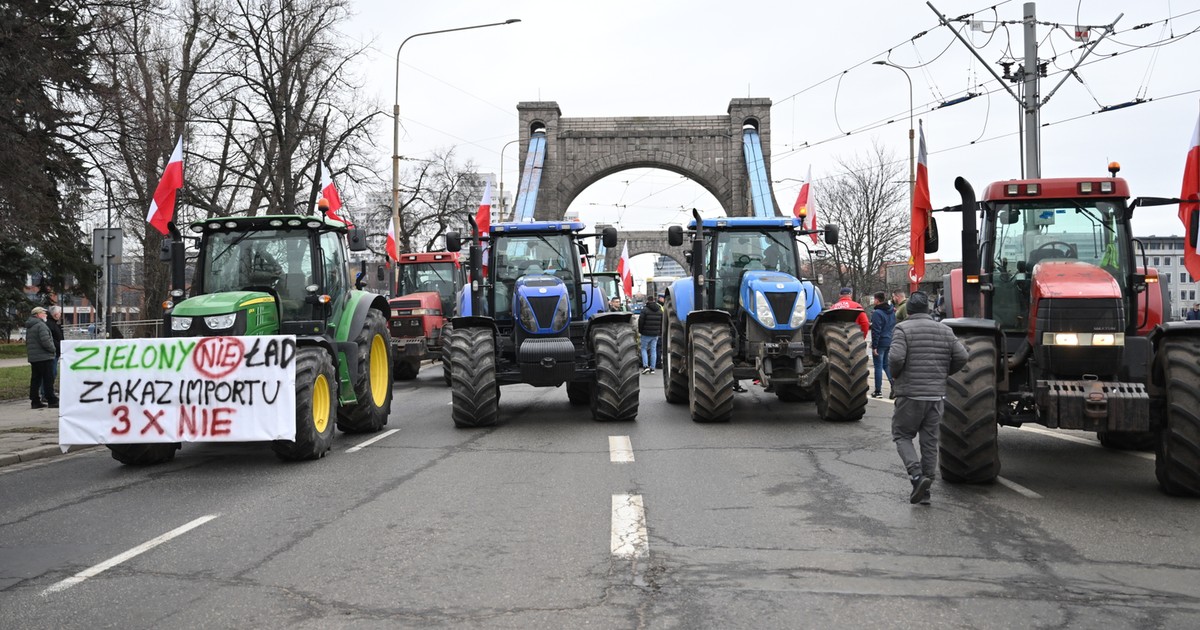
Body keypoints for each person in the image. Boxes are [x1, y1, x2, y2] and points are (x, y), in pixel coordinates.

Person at [888, 291, 968, 505]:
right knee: (929, 440)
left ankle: (916, 476)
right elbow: (962, 356)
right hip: (935, 395)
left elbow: (895, 358)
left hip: (910, 394)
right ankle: (926, 489)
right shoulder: (945, 330)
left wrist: (896, 376)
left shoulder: (902, 329)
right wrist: (943, 374)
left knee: (902, 435)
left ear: (909, 310)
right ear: (927, 309)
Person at [25, 306, 59, 409]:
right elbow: (46, 341)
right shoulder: (41, 325)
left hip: (34, 357)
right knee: (48, 379)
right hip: (44, 357)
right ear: (38, 314)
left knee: (36, 379)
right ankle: (51, 400)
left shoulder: (30, 326)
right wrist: (53, 349)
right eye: (44, 313)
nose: (46, 315)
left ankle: (35, 401)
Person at [870, 292, 896, 399]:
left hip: (880, 342)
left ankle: (878, 391)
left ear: (877, 300)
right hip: (890, 340)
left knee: (878, 366)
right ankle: (894, 385)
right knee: (886, 365)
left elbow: (876, 330)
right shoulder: (891, 311)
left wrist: (874, 346)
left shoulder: (877, 313)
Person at [637, 292, 663, 374]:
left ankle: (645, 366)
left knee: (644, 349)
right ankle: (652, 368)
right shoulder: (659, 310)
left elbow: (640, 321)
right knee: (653, 350)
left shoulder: (644, 310)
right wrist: (659, 332)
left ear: (647, 300)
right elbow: (661, 322)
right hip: (655, 334)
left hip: (645, 333)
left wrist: (640, 331)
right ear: (654, 300)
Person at [45, 305, 64, 402]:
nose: (60, 315)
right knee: (51, 373)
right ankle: (46, 393)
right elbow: (51, 339)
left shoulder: (53, 324)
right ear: (56, 314)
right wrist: (60, 346)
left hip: (55, 352)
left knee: (53, 373)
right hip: (53, 352)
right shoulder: (50, 324)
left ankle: (48, 392)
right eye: (60, 313)